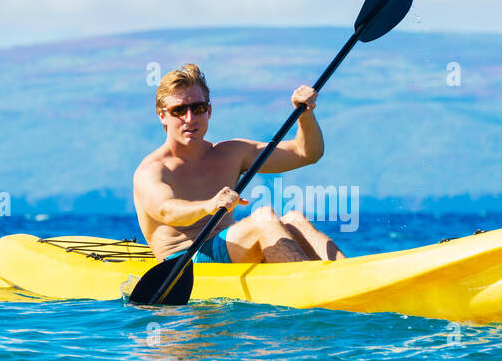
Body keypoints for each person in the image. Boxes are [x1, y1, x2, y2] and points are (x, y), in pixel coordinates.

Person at [132, 64, 345, 265]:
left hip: (230, 253)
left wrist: (306, 115)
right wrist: (209, 205)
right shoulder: (153, 170)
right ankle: (306, 284)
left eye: (198, 108)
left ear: (209, 111)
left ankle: (348, 275)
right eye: (179, 110)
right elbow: (166, 210)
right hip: (181, 265)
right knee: (263, 218)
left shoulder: (230, 153)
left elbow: (306, 153)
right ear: (162, 116)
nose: (190, 118)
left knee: (294, 219)